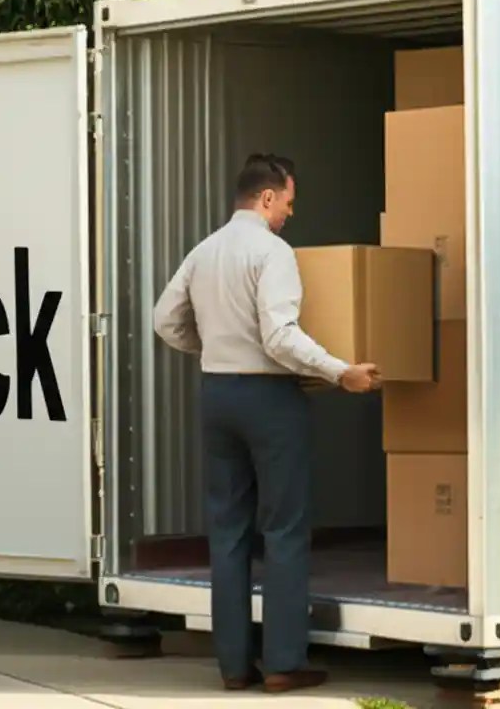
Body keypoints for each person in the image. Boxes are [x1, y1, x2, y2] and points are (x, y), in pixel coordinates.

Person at [153, 153, 380, 693]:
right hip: (269, 399)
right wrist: (339, 372)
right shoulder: (272, 252)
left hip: (217, 395)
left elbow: (164, 320)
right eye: (289, 203)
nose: (289, 215)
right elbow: (279, 336)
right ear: (268, 198)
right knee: (283, 529)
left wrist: (211, 348)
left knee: (227, 532)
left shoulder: (204, 251)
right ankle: (283, 662)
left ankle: (233, 667)